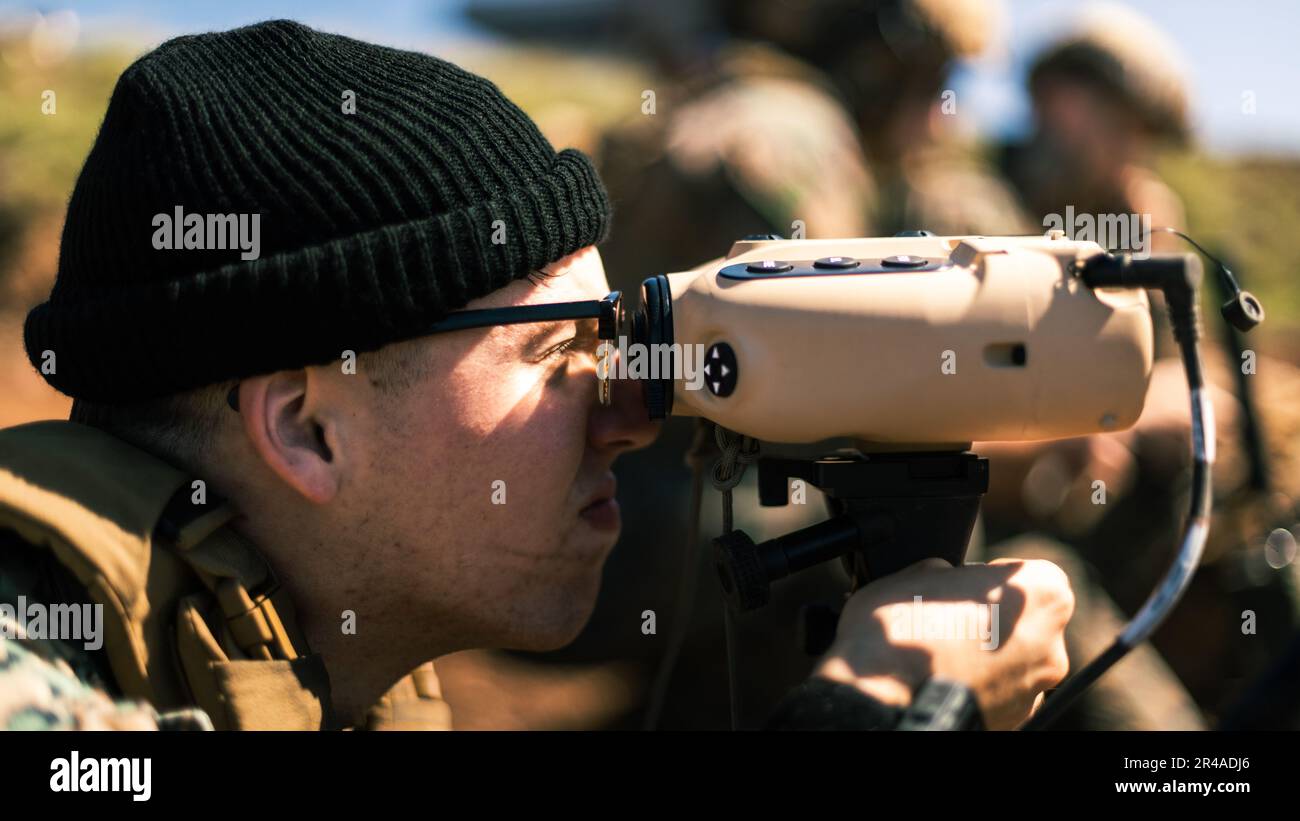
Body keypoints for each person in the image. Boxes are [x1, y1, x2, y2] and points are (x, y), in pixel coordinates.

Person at [0, 20, 1072, 731]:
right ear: (309, 428)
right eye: (556, 352)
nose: (627, 416)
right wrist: (881, 706)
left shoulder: (312, 656)